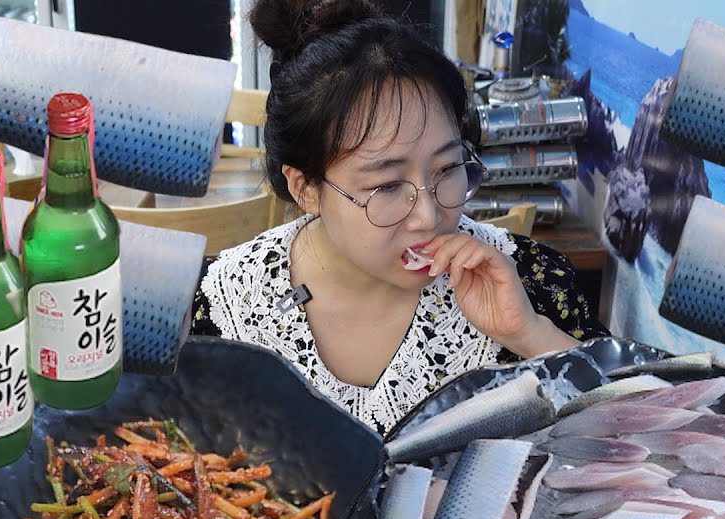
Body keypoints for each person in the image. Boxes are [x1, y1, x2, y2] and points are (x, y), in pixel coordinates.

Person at [192, 0, 609, 433]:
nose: (429, 216)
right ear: (305, 189)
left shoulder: (529, 283)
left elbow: (636, 434)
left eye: (447, 169)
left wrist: (529, 333)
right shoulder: (223, 310)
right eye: (388, 187)